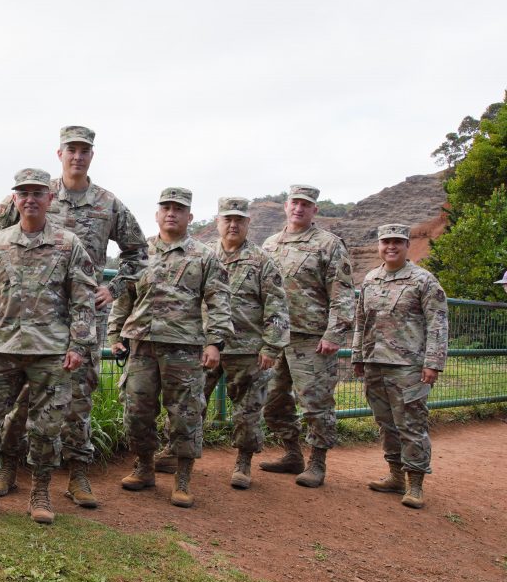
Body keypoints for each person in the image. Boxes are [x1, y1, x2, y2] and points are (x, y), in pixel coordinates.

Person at [0, 126, 145, 508]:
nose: (77, 156)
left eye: (84, 150)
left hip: (82, 321)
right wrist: (10, 281)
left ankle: (78, 475)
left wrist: (112, 288)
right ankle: (8, 466)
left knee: (78, 398)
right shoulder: (37, 192)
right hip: (28, 322)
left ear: (91, 155)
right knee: (21, 396)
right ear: (60, 153)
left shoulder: (107, 203)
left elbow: (138, 252)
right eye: (71, 149)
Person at [0, 168, 96, 524]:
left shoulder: (68, 243)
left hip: (50, 351)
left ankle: (40, 493)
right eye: (23, 193)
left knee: (46, 427)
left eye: (37, 193)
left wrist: (78, 344)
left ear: (49, 199)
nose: (30, 199)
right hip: (1, 347)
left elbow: (82, 297)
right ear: (14, 199)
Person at [109, 188, 232, 508]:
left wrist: (215, 342)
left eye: (179, 209)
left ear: (190, 216)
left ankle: (182, 478)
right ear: (156, 213)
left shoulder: (204, 256)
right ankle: (145, 468)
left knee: (185, 414)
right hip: (142, 345)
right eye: (166, 208)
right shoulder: (140, 253)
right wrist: (114, 334)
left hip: (184, 348)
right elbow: (124, 297)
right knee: (137, 411)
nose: (171, 213)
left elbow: (219, 302)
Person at [260, 185, 354, 488]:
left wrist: (334, 333)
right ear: (286, 206)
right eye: (294, 203)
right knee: (272, 401)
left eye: (306, 204)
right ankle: (292, 454)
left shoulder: (328, 244)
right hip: (275, 338)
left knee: (315, 403)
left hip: (312, 339)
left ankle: (317, 462)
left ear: (315, 210)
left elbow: (342, 293)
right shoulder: (270, 244)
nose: (299, 208)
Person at [195, 198, 289, 488]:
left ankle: (243, 462)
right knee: (189, 403)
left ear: (248, 223)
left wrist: (271, 346)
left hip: (247, 349)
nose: (233, 225)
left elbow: (277, 306)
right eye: (228, 219)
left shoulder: (262, 261)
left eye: (239, 220)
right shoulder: (203, 256)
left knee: (247, 412)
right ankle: (178, 452)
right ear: (218, 222)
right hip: (204, 345)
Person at [353, 224, 448, 509]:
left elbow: (438, 324)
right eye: (386, 242)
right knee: (386, 425)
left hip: (409, 367)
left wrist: (433, 363)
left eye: (397, 242)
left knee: (412, 425)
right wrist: (357, 356)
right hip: (375, 364)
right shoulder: (371, 279)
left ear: (407, 245)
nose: (390, 247)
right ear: (379, 246)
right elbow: (361, 321)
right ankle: (395, 475)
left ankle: (415, 483)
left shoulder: (424, 281)